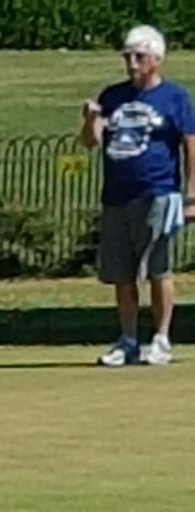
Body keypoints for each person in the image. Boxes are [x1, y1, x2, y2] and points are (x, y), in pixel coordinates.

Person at [80, 25, 195, 366]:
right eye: (127, 56)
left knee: (158, 268)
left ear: (156, 59)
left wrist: (191, 195)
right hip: (117, 195)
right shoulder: (112, 96)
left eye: (139, 57)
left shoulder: (174, 97)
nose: (132, 63)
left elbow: (191, 146)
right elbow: (90, 141)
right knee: (122, 273)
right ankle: (128, 340)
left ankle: (161, 338)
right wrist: (90, 119)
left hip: (158, 191)